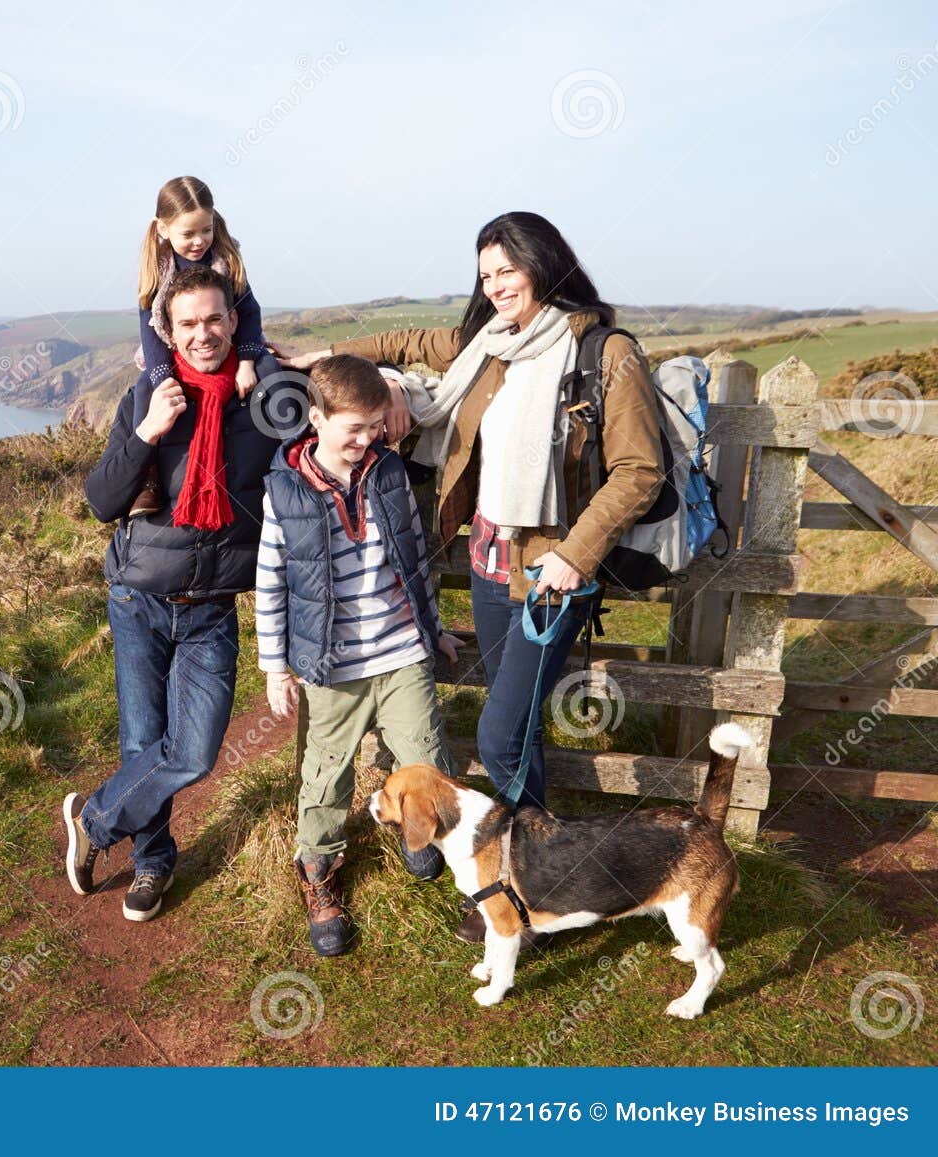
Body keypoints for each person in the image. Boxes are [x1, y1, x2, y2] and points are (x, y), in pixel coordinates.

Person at [284, 211, 663, 944]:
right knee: (515, 727)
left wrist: (576, 553)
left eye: (507, 271)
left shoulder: (604, 351)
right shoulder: (490, 342)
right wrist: (322, 356)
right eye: (485, 274)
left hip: (551, 574)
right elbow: (404, 342)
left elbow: (638, 470)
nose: (494, 286)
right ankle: (540, 877)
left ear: (543, 264)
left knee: (499, 737)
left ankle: (521, 885)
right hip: (492, 564)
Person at [63, 265, 410, 923]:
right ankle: (153, 864)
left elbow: (337, 407)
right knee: (144, 741)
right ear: (166, 330)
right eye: (188, 323)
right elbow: (101, 500)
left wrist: (390, 382)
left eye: (215, 319)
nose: (203, 334)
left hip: (214, 605)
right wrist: (146, 436)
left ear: (236, 320)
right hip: (139, 597)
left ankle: (95, 817)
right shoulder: (147, 397)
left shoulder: (267, 396)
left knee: (192, 753)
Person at [257, 354, 461, 957]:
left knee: (425, 754)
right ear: (315, 418)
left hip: (401, 650)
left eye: (375, 426)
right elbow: (271, 581)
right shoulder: (284, 493)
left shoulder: (390, 474)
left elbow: (414, 557)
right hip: (332, 666)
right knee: (326, 777)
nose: (367, 439)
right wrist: (275, 666)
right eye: (354, 428)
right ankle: (318, 874)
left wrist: (436, 627)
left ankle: (418, 830)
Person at [126, 175, 268, 517]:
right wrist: (163, 377)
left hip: (227, 343)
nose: (199, 241)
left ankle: (283, 457)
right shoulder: (157, 268)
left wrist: (248, 361)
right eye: (187, 233)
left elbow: (248, 311)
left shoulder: (227, 257)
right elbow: (150, 328)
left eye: (205, 229)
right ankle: (149, 478)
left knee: (272, 373)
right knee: (146, 393)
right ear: (163, 228)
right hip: (171, 349)